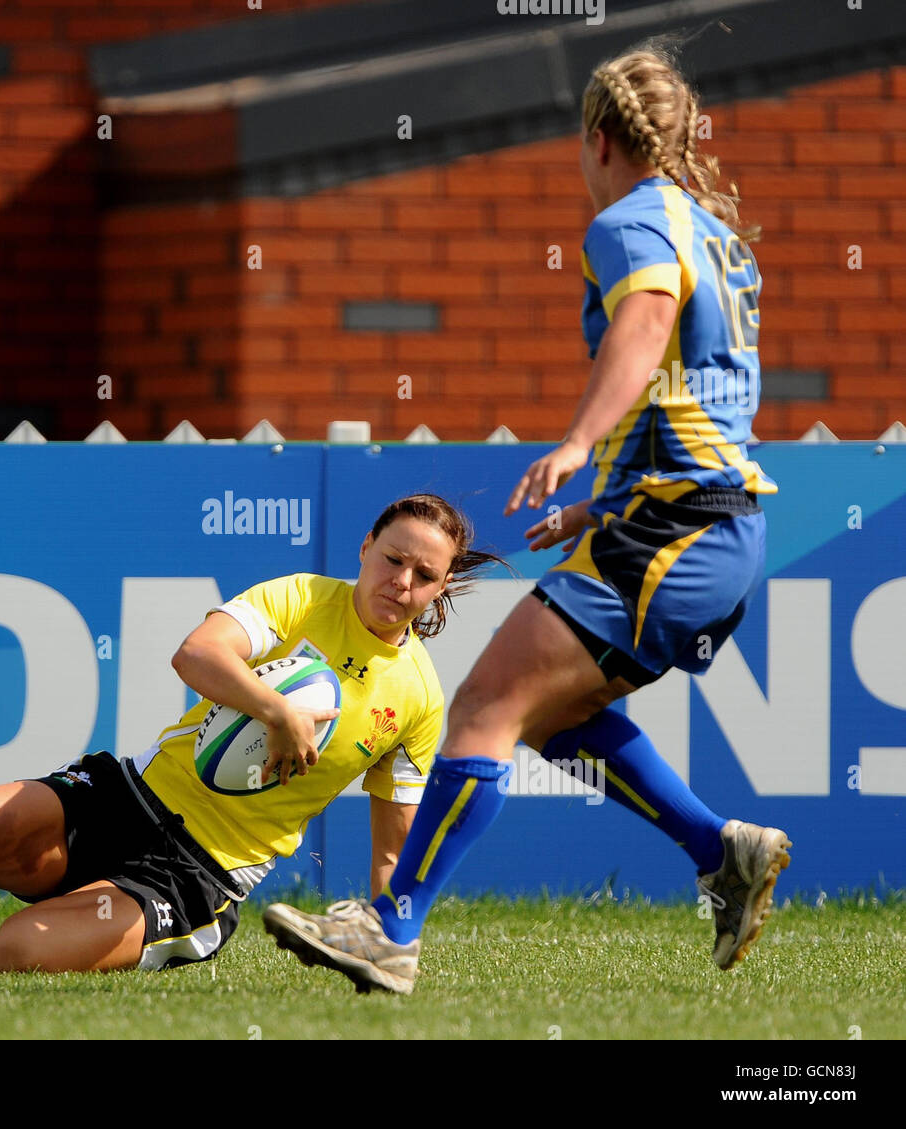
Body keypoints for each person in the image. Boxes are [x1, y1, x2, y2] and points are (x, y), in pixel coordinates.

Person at [263, 45, 791, 995]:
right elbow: (700, 402)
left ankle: (391, 927)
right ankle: (722, 850)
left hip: (672, 536)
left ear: (597, 139)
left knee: (482, 707)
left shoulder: (630, 223)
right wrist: (603, 498)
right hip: (706, 527)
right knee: (553, 715)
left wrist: (580, 438)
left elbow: (645, 326)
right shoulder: (721, 236)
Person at [0, 494, 504, 974]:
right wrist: (278, 708)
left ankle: (48, 947)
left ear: (441, 587)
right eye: (392, 559)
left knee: (19, 953)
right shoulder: (301, 596)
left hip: (202, 875)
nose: (401, 583)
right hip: (129, 794)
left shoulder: (423, 697)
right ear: (366, 548)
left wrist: (383, 928)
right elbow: (196, 653)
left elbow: (397, 842)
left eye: (423, 575)